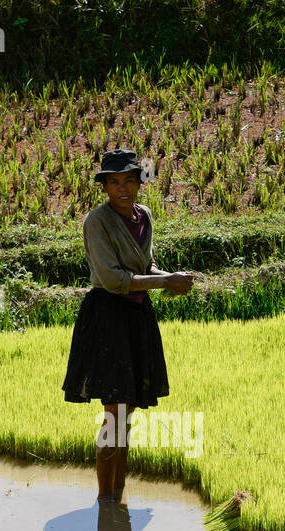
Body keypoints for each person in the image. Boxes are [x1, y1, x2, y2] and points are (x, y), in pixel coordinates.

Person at [62, 149, 196, 505]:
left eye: (130, 180)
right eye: (115, 182)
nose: (123, 188)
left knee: (129, 408)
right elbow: (112, 279)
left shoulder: (145, 217)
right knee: (114, 413)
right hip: (108, 317)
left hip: (137, 317)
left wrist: (169, 277)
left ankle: (119, 491)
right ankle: (105, 500)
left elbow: (145, 266)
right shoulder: (97, 222)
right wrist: (165, 282)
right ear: (105, 186)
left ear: (140, 183)